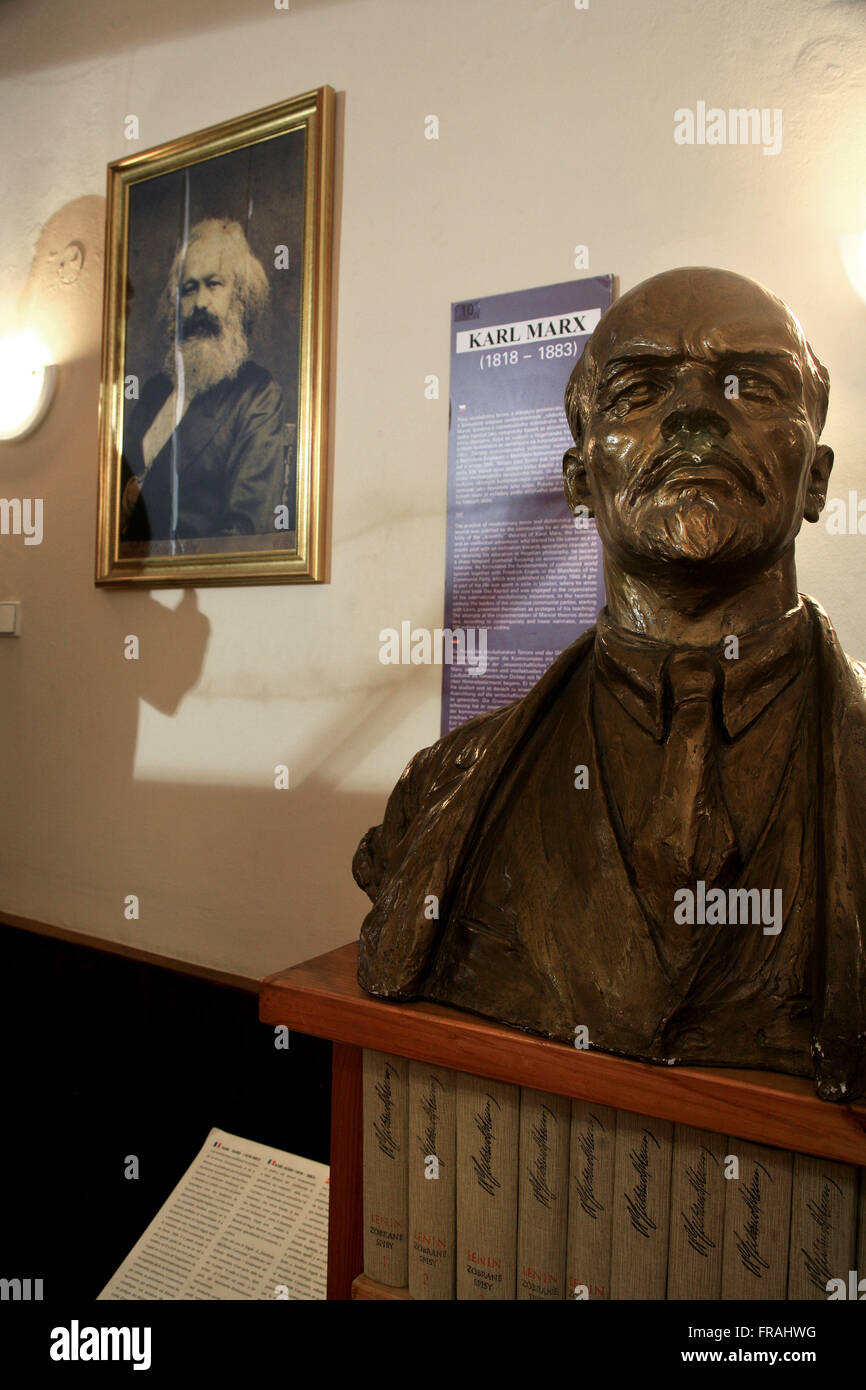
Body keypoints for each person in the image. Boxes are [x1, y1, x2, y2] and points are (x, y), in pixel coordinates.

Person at [354, 266, 866, 1102]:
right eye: (639, 391)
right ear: (580, 479)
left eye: (756, 387)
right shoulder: (440, 794)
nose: (698, 415)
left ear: (816, 477)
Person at [120, 218, 286, 543]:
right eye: (189, 289)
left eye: (214, 284)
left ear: (239, 298)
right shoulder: (154, 391)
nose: (200, 304)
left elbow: (246, 533)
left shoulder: (257, 395)